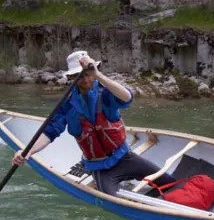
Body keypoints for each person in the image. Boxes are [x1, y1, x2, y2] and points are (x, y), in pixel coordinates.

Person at [12, 50, 176, 196]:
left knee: (169, 182)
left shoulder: (105, 93)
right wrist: (27, 152)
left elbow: (127, 97)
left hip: (124, 157)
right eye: (80, 75)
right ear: (71, 78)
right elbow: (49, 132)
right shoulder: (67, 105)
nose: (85, 78)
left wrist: (97, 74)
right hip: (99, 167)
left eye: (87, 73)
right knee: (113, 201)